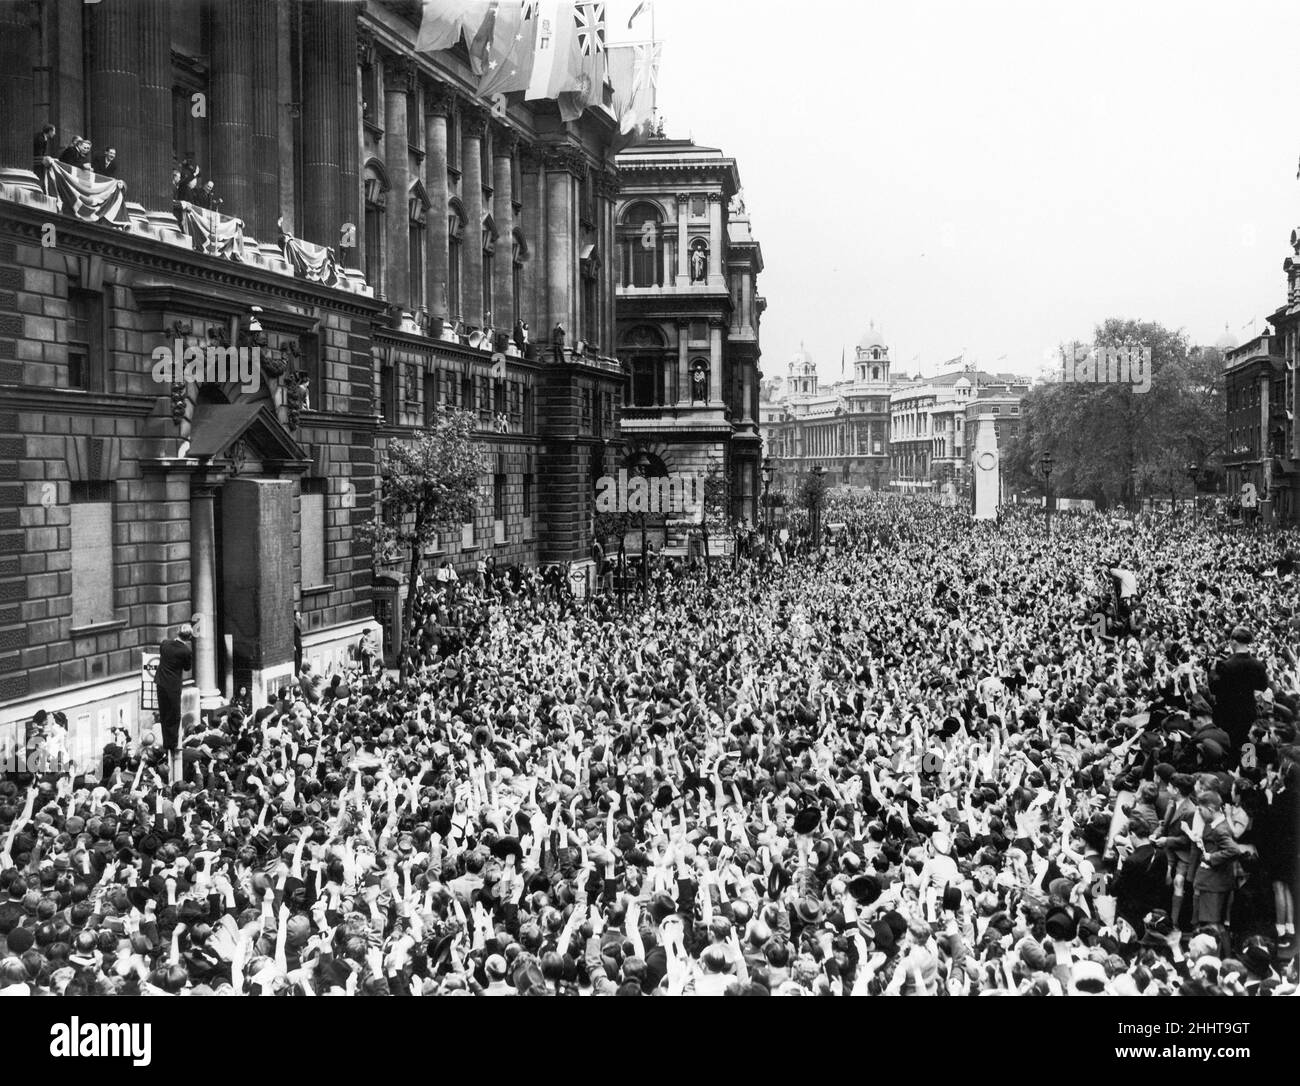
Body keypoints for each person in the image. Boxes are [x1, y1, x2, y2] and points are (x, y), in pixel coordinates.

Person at [1209, 626, 1268, 767]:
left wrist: (1212, 670)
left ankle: (1233, 772)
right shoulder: (1258, 665)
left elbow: (1214, 688)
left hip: (1228, 713)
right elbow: (1263, 686)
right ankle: (1249, 773)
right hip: (1249, 710)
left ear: (1233, 642)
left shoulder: (1226, 665)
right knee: (1248, 743)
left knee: (1232, 747)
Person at [155, 624, 194, 782]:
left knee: (164, 713)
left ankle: (166, 742)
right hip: (172, 685)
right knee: (174, 715)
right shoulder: (186, 651)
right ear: (189, 638)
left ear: (178, 632)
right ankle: (170, 744)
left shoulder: (164, 644)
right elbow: (186, 667)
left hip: (160, 682)